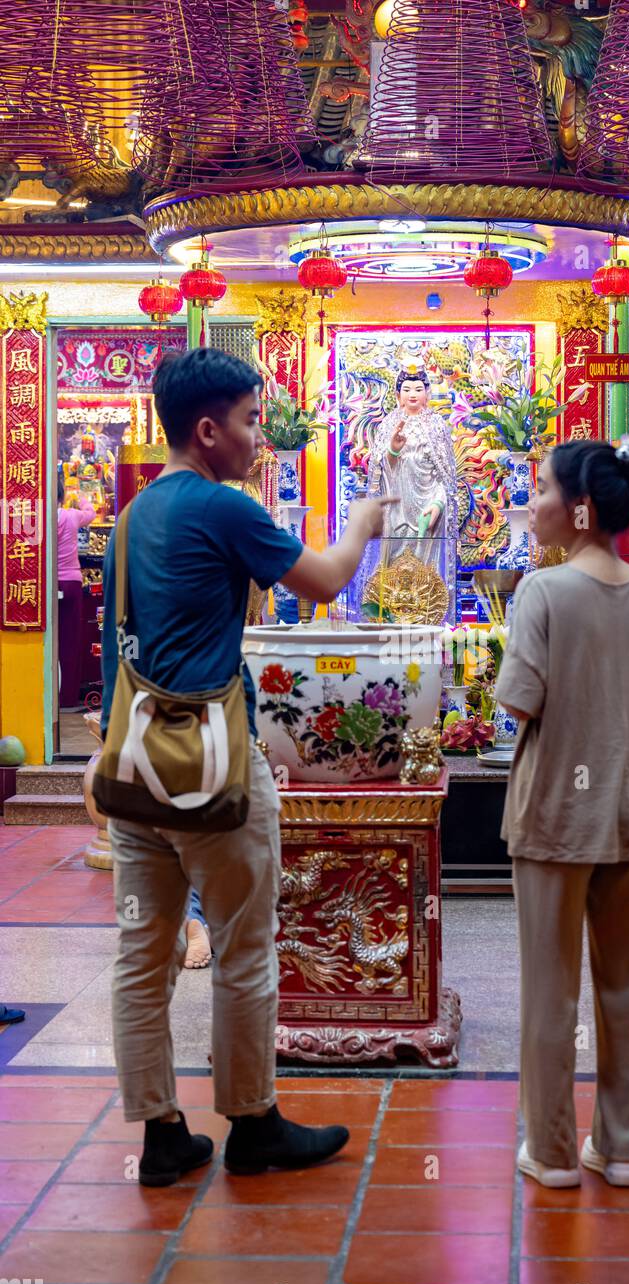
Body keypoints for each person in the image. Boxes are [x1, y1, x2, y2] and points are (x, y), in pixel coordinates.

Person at [100, 348, 394, 1187]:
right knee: (243, 946)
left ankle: (160, 1131)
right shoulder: (223, 508)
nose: (261, 438)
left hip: (135, 769)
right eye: (252, 421)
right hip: (214, 775)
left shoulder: (132, 516)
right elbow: (327, 582)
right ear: (207, 430)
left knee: (142, 950)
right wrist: (363, 524)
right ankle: (253, 1122)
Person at [495, 438, 629, 1190]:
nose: (533, 500)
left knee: (550, 991)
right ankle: (621, 1149)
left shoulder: (542, 593)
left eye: (541, 489)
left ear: (578, 508)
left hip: (554, 819)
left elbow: (518, 702)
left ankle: (549, 1152)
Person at [365, 368, 457, 622]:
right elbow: (380, 471)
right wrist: (393, 452)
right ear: (398, 395)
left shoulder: (437, 426)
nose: (413, 394)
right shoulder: (388, 425)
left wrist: (438, 504)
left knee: (423, 566)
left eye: (418, 389)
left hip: (427, 508)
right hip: (396, 508)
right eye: (407, 389)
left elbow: (445, 477)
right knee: (394, 565)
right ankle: (391, 618)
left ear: (427, 393)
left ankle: (426, 617)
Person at [57, 470, 96, 709]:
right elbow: (91, 513)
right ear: (62, 496)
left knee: (49, 639)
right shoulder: (71, 516)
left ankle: (49, 693)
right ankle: (67, 697)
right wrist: (80, 495)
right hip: (71, 582)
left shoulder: (39, 516)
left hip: (49, 583)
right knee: (70, 641)